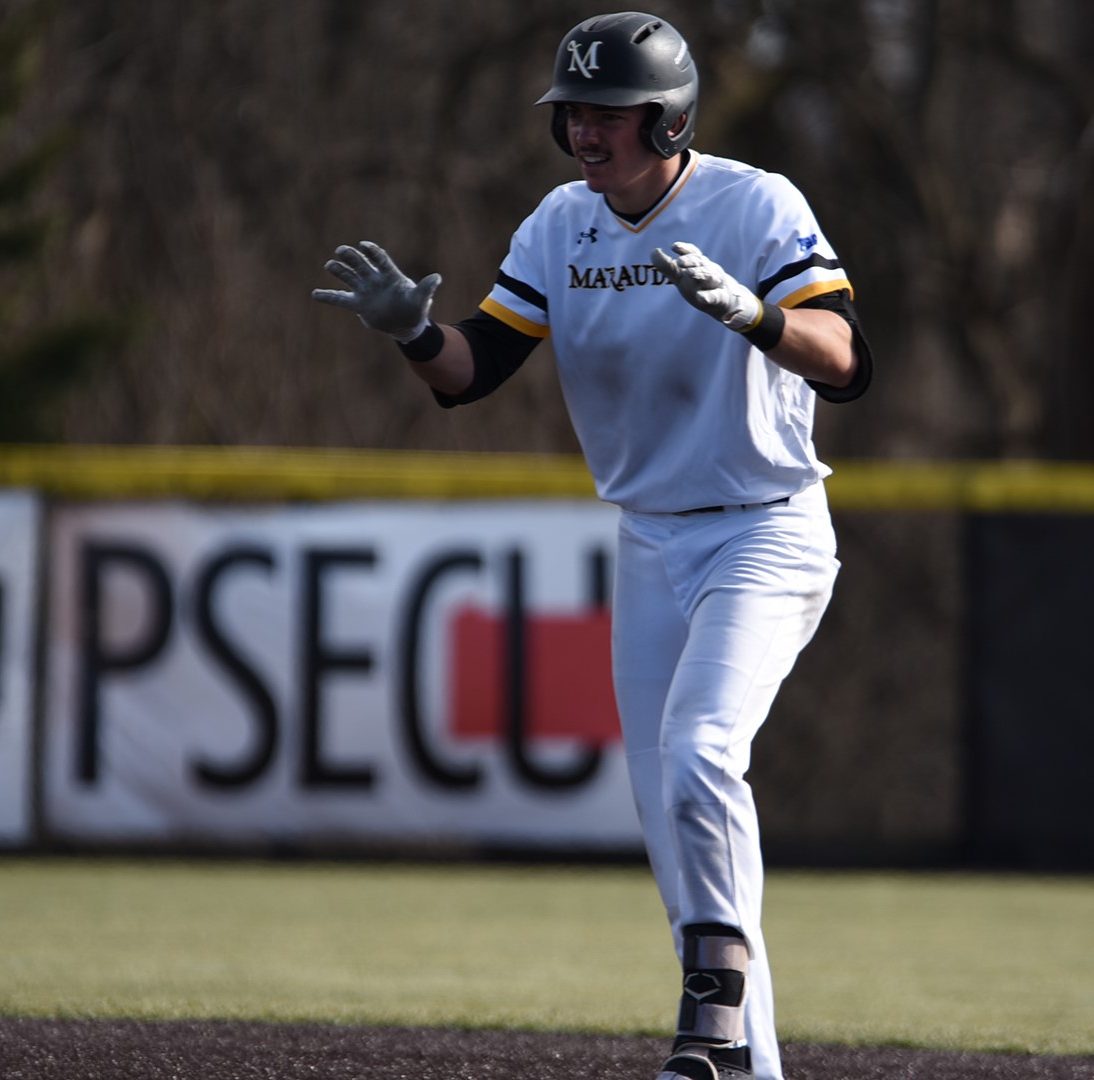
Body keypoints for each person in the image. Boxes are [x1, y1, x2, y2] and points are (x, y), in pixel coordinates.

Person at [312, 12, 871, 1080]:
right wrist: (413, 335)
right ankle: (744, 1063)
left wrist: (755, 315)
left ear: (668, 120)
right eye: (571, 111)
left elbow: (845, 359)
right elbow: (476, 368)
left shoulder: (755, 203)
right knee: (670, 811)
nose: (582, 131)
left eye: (607, 113)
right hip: (649, 538)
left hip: (764, 527)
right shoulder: (561, 222)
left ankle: (707, 1023)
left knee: (703, 754)